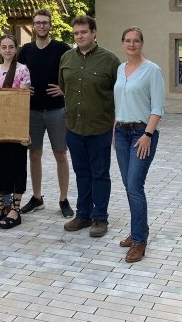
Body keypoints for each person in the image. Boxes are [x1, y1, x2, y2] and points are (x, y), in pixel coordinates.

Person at [59, 15, 119, 238]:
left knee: (100, 174)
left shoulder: (110, 61)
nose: (80, 36)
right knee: (81, 173)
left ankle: (100, 218)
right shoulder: (66, 58)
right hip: (74, 128)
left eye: (84, 32)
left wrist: (115, 128)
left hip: (100, 129)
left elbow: (119, 94)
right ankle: (83, 215)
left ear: (94, 32)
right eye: (76, 33)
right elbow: (64, 87)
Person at [113, 27, 164, 263]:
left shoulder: (152, 70)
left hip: (141, 134)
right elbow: (119, 103)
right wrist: (114, 130)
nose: (131, 44)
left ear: (142, 43)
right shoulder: (120, 69)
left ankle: (140, 241)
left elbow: (157, 108)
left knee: (135, 185)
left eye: (136, 40)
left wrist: (147, 134)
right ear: (122, 43)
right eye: (127, 40)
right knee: (128, 184)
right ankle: (137, 230)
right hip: (121, 132)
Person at [17, 9, 73, 218]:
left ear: (50, 25)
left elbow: (75, 74)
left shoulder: (62, 49)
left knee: (60, 154)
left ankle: (64, 199)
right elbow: (16, 76)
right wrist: (21, 90)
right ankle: (37, 197)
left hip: (56, 110)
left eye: (45, 22)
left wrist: (65, 90)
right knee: (34, 154)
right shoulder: (26, 50)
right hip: (32, 111)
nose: (41, 26)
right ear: (33, 25)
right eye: (38, 22)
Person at [0, 35, 31, 229]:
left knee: (16, 166)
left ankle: (15, 210)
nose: (8, 50)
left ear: (16, 49)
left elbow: (23, 100)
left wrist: (24, 129)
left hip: (15, 124)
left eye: (11, 46)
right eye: (4, 47)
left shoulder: (22, 69)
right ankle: (0, 206)